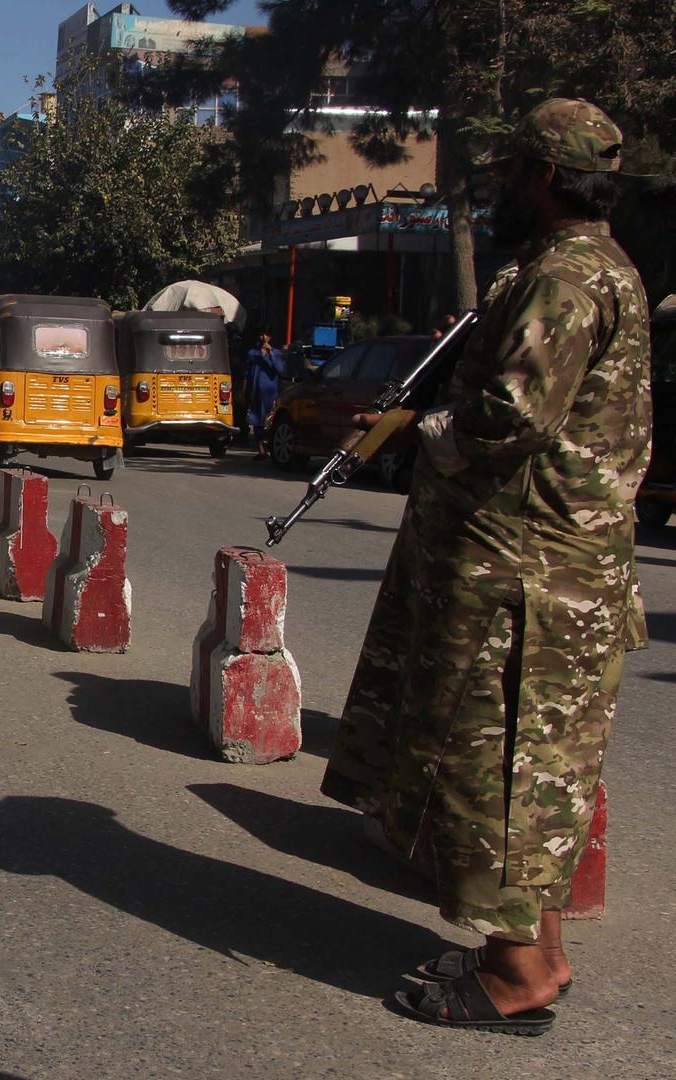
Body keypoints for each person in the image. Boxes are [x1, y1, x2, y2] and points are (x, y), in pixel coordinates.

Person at [322, 98, 651, 1034]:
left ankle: (515, 978)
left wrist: (409, 433)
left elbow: (512, 418)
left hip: (527, 579)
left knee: (497, 767)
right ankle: (538, 952)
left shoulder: (567, 278)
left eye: (512, 171)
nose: (501, 187)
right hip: (550, 574)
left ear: (546, 177)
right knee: (539, 772)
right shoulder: (585, 268)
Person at [241, 333, 284, 456]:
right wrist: (245, 392)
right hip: (256, 392)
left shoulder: (276, 353)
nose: (264, 337)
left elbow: (279, 369)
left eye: (267, 335)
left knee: (270, 419)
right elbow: (247, 374)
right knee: (257, 420)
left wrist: (270, 353)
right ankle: (260, 449)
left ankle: (270, 446)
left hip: (270, 393)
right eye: (262, 335)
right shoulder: (253, 354)